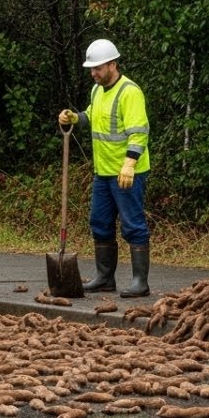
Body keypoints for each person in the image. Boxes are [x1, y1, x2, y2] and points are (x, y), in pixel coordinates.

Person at [58, 39, 151, 298]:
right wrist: (75, 117)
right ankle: (104, 278)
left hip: (127, 172)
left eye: (98, 68)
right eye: (91, 69)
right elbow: (93, 115)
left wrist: (130, 163)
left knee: (132, 224)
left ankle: (139, 282)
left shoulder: (129, 92)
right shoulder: (97, 90)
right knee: (99, 222)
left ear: (113, 64)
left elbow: (139, 132)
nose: (93, 73)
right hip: (103, 171)